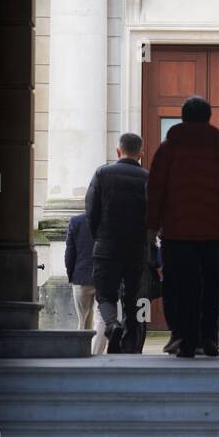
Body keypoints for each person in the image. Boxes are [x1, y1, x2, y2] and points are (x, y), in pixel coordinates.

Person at [146, 96, 219, 360]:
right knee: (211, 285)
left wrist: (152, 225)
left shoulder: (167, 149)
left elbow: (156, 190)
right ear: (208, 116)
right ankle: (210, 338)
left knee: (179, 285)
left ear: (183, 117)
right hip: (213, 230)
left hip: (176, 231)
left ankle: (184, 338)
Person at [86, 132, 150, 355]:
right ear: (141, 153)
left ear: (118, 151)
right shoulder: (147, 178)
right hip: (136, 248)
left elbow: (91, 211)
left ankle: (112, 325)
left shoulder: (102, 174)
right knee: (132, 298)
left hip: (107, 247)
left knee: (105, 295)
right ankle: (129, 347)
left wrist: (100, 237)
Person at [64, 209, 106, 356]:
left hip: (81, 277)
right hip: (105, 277)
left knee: (83, 320)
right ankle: (96, 354)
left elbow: (69, 253)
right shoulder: (109, 220)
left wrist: (72, 275)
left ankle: (82, 353)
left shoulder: (75, 221)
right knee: (101, 319)